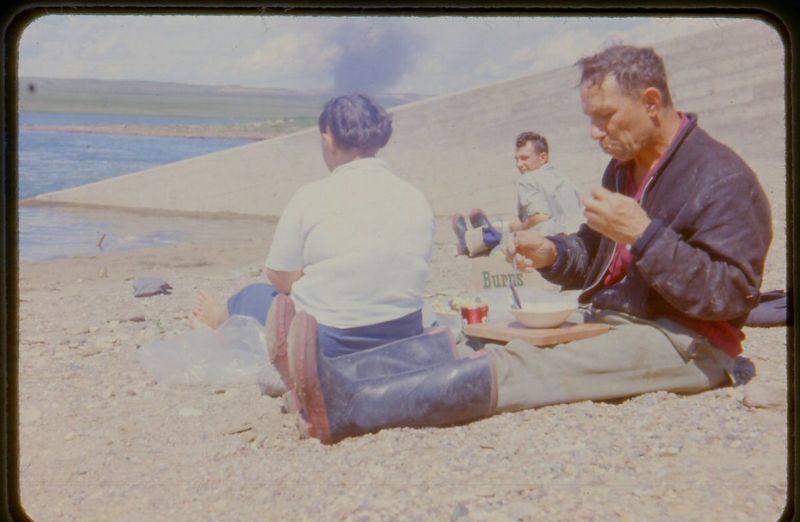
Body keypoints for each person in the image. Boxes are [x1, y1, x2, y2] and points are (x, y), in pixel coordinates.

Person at [276, 44, 773, 445]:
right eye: (590, 118)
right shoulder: (625, 167)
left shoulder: (722, 179)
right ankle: (329, 375)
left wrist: (645, 235)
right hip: (616, 318)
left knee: (526, 362)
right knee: (475, 337)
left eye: (605, 117)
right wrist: (551, 252)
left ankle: (349, 406)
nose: (594, 132)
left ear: (650, 101)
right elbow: (594, 257)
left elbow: (732, 296)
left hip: (686, 342)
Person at [190, 94, 437, 391]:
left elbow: (280, 278)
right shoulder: (415, 197)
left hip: (330, 342)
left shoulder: (311, 196)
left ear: (328, 140)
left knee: (255, 295)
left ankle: (219, 320)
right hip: (401, 336)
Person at [451, 132, 583, 257]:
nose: (519, 164)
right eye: (517, 159)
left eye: (524, 158)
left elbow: (540, 217)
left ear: (543, 157)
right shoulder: (565, 180)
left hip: (548, 244)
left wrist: (518, 228)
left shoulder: (528, 179)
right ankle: (482, 232)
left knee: (505, 243)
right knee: (508, 228)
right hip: (574, 242)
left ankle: (468, 243)